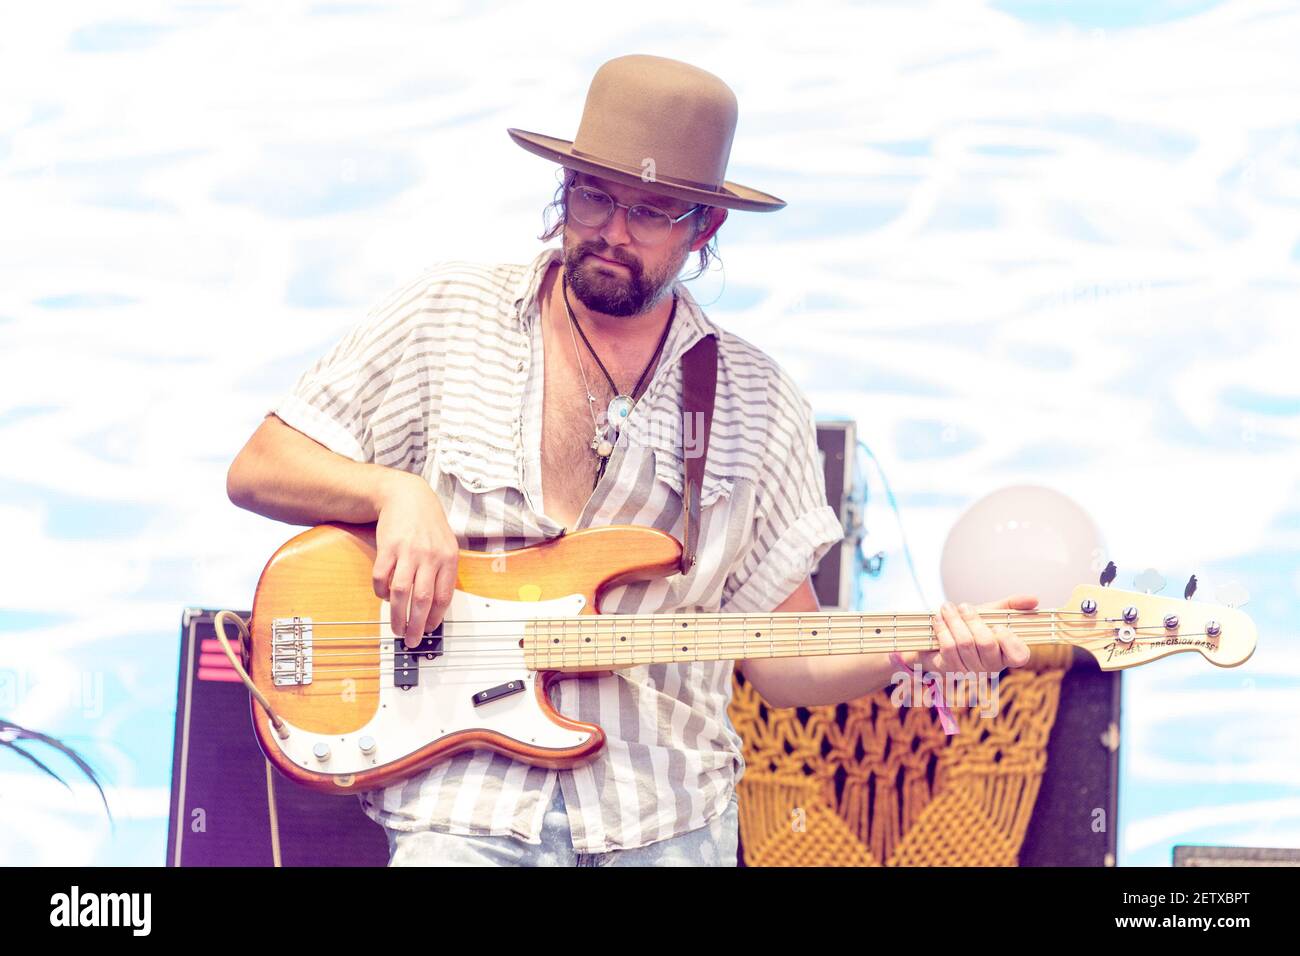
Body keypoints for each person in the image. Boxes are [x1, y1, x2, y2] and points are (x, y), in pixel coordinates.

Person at [226, 54, 1034, 867]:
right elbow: (259, 465)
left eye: (651, 212)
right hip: (462, 811)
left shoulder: (755, 399)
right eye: (594, 196)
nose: (613, 231)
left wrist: (915, 644)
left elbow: (788, 658)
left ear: (703, 228)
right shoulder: (448, 313)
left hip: (667, 819)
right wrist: (391, 492)